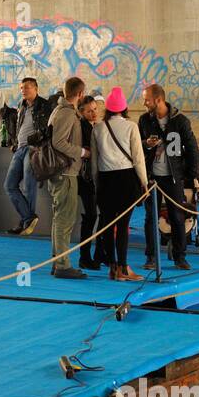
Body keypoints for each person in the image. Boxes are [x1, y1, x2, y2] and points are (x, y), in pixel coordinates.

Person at [139, 83, 199, 271]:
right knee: (151, 217)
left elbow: (192, 148)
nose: (144, 103)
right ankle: (150, 257)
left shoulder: (180, 121)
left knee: (177, 215)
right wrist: (147, 144)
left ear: (158, 100)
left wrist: (191, 176)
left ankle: (180, 257)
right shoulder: (144, 120)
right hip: (152, 178)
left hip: (173, 177)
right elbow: (137, 146)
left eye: (147, 99)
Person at [94, 87, 148, 282]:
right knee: (123, 225)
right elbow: (138, 158)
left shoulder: (98, 128)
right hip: (126, 180)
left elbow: (94, 161)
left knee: (108, 225)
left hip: (105, 180)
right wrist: (144, 182)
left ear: (107, 108)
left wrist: (96, 182)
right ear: (124, 108)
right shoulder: (131, 127)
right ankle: (124, 268)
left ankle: (113, 267)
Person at [46, 78, 93, 279]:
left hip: (59, 172)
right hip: (65, 173)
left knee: (59, 220)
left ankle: (58, 261)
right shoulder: (66, 113)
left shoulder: (59, 110)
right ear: (80, 94)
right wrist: (82, 152)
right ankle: (63, 265)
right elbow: (59, 142)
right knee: (65, 221)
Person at [4, 77, 52, 236]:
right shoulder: (21, 105)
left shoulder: (45, 106)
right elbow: (20, 126)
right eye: (21, 88)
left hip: (34, 149)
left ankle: (25, 221)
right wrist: (15, 142)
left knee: (28, 188)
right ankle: (28, 217)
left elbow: (48, 130)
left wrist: (35, 142)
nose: (23, 90)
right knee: (9, 185)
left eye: (26, 87)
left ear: (36, 88)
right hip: (20, 148)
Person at [77, 95, 109, 271]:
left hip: (98, 177)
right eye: (89, 111)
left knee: (103, 215)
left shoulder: (98, 126)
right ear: (82, 112)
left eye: (95, 109)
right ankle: (85, 255)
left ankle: (100, 252)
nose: (93, 113)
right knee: (90, 216)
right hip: (85, 178)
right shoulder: (80, 127)